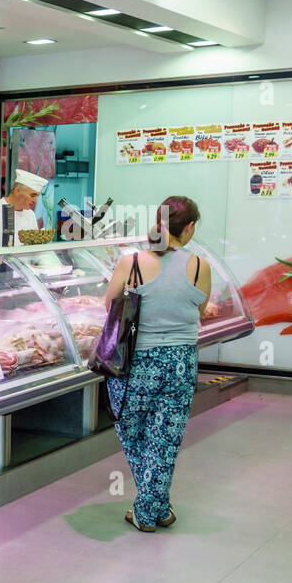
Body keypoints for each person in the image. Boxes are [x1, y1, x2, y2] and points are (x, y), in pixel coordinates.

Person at [102, 195, 212, 532]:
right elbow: (200, 310)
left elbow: (110, 307)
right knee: (166, 438)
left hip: (136, 363)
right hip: (181, 362)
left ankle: (145, 512)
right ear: (189, 227)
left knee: (132, 433)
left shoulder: (131, 263)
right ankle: (158, 505)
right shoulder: (199, 266)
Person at [0, 169, 45, 248]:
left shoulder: (30, 214)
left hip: (24, 260)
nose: (35, 201)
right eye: (32, 195)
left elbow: (34, 245)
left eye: (37, 196)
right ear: (17, 191)